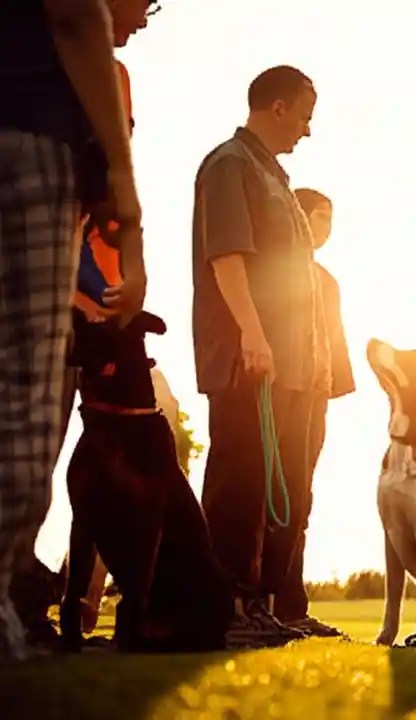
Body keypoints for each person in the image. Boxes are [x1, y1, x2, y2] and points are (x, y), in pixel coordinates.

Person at [0, 0, 143, 662]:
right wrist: (120, 171)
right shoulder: (90, 59)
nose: (145, 16)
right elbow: (72, 13)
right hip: (25, 139)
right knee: (26, 398)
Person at [192, 65, 328, 648]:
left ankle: (262, 606)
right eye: (303, 116)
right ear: (276, 108)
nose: (306, 130)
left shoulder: (275, 175)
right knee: (240, 482)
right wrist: (252, 333)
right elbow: (228, 257)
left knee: (286, 490)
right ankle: (223, 608)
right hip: (250, 358)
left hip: (293, 366)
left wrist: (315, 351)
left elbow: (298, 276)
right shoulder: (230, 166)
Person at [57, 0, 161, 640]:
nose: (148, 17)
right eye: (143, 3)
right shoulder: (57, 56)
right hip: (67, 299)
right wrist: (76, 298)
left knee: (88, 467)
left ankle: (83, 613)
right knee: (36, 444)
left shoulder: (115, 73)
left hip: (101, 298)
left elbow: (104, 193)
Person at [272, 188, 353, 637]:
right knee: (272, 497)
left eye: (330, 219)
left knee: (300, 499)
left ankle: (290, 607)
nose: (327, 228)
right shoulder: (273, 271)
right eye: (321, 217)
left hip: (314, 400)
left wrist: (332, 387)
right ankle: (257, 602)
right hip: (278, 396)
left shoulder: (327, 281)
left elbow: (334, 342)